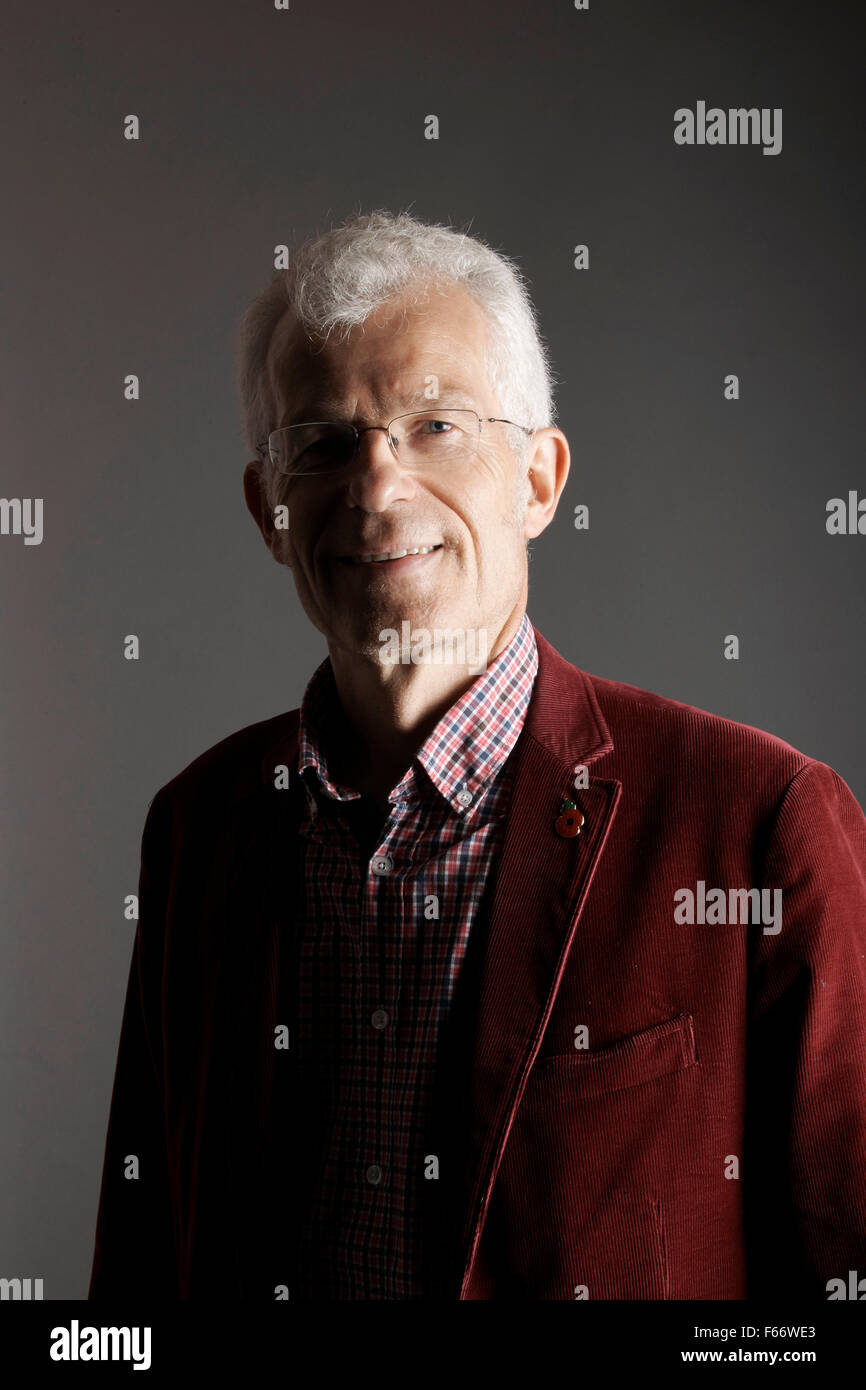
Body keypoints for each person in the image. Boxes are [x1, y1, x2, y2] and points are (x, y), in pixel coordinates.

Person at [89, 209, 866, 1300]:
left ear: (539, 481)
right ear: (268, 510)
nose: (375, 487)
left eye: (435, 425)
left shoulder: (756, 822)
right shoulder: (202, 823)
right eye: (320, 444)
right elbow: (139, 1275)